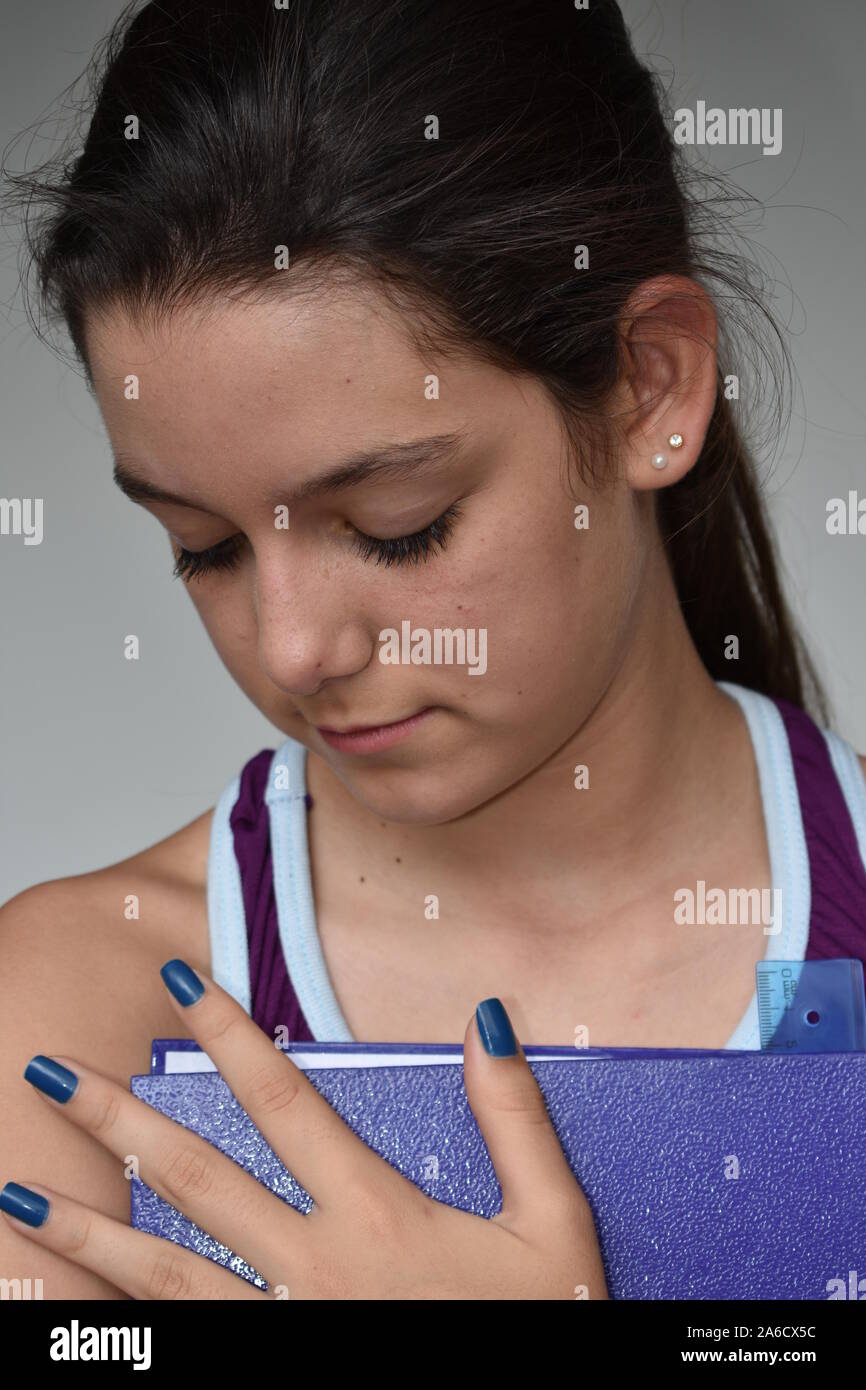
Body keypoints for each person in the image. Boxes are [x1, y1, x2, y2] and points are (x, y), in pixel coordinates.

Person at [1, 0, 864, 1300]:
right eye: (204, 546)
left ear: (649, 383)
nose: (293, 648)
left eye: (395, 527)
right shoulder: (79, 1009)